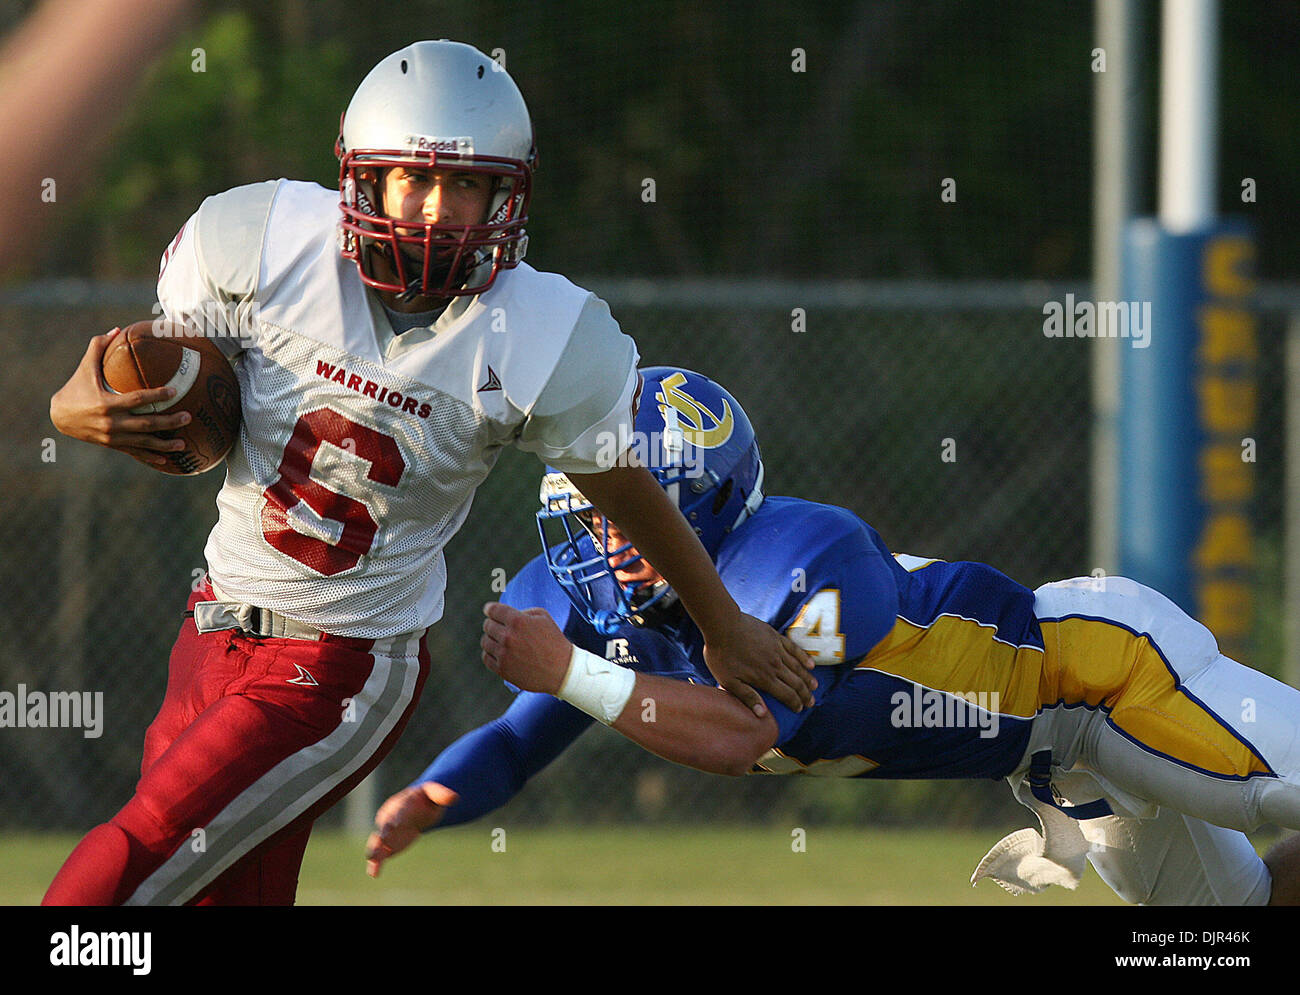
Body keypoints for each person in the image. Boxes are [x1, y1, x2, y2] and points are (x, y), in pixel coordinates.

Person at [42, 42, 813, 906]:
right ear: (363, 180)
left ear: (508, 194)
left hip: (339, 667)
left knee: (129, 863)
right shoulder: (260, 242)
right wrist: (70, 410)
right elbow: (166, 386)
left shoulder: (541, 333)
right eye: (414, 180)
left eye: (467, 186)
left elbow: (620, 484)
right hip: (212, 627)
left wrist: (721, 622)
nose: (438, 210)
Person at [367, 365, 1300, 906]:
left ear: (709, 504)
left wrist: (570, 669)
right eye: (593, 515)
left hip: (1100, 676)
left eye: (633, 514)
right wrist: (431, 797)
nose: (609, 542)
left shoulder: (803, 557)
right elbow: (517, 740)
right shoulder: (589, 605)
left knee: (1279, 794)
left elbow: (741, 735)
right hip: (1051, 760)